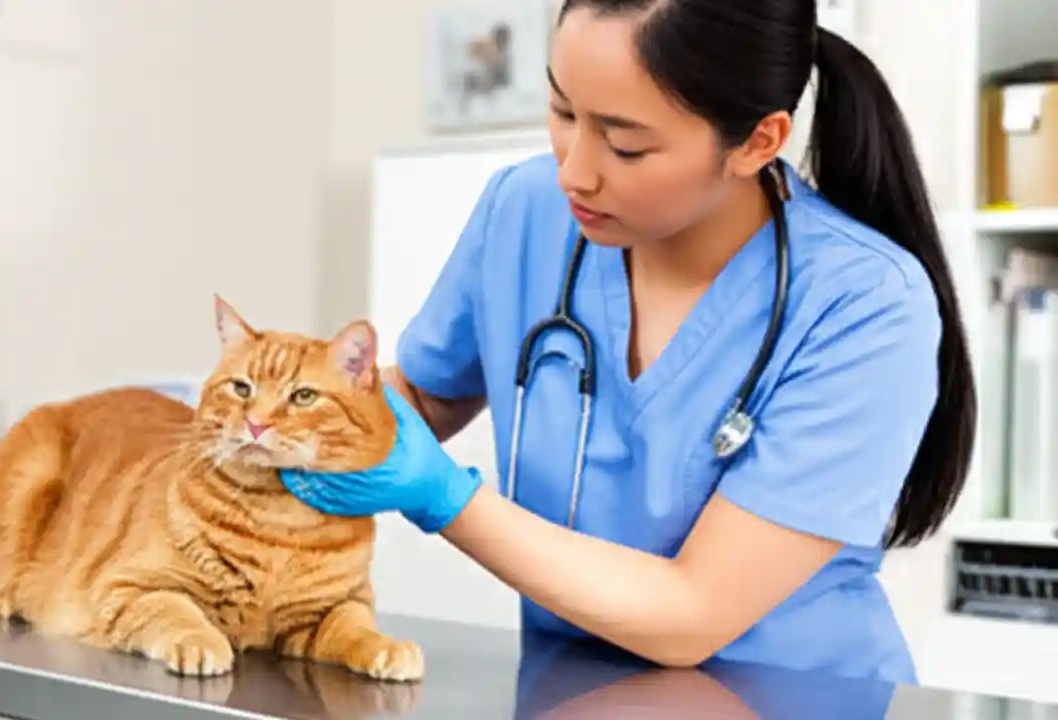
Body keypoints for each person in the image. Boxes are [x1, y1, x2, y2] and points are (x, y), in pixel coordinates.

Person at [281, 0, 976, 684]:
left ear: (759, 142)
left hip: (789, 697)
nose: (574, 172)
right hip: (573, 690)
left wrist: (444, 496)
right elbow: (420, 400)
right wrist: (252, 432)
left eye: (625, 144)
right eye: (561, 113)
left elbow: (693, 613)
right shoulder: (525, 210)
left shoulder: (865, 301)